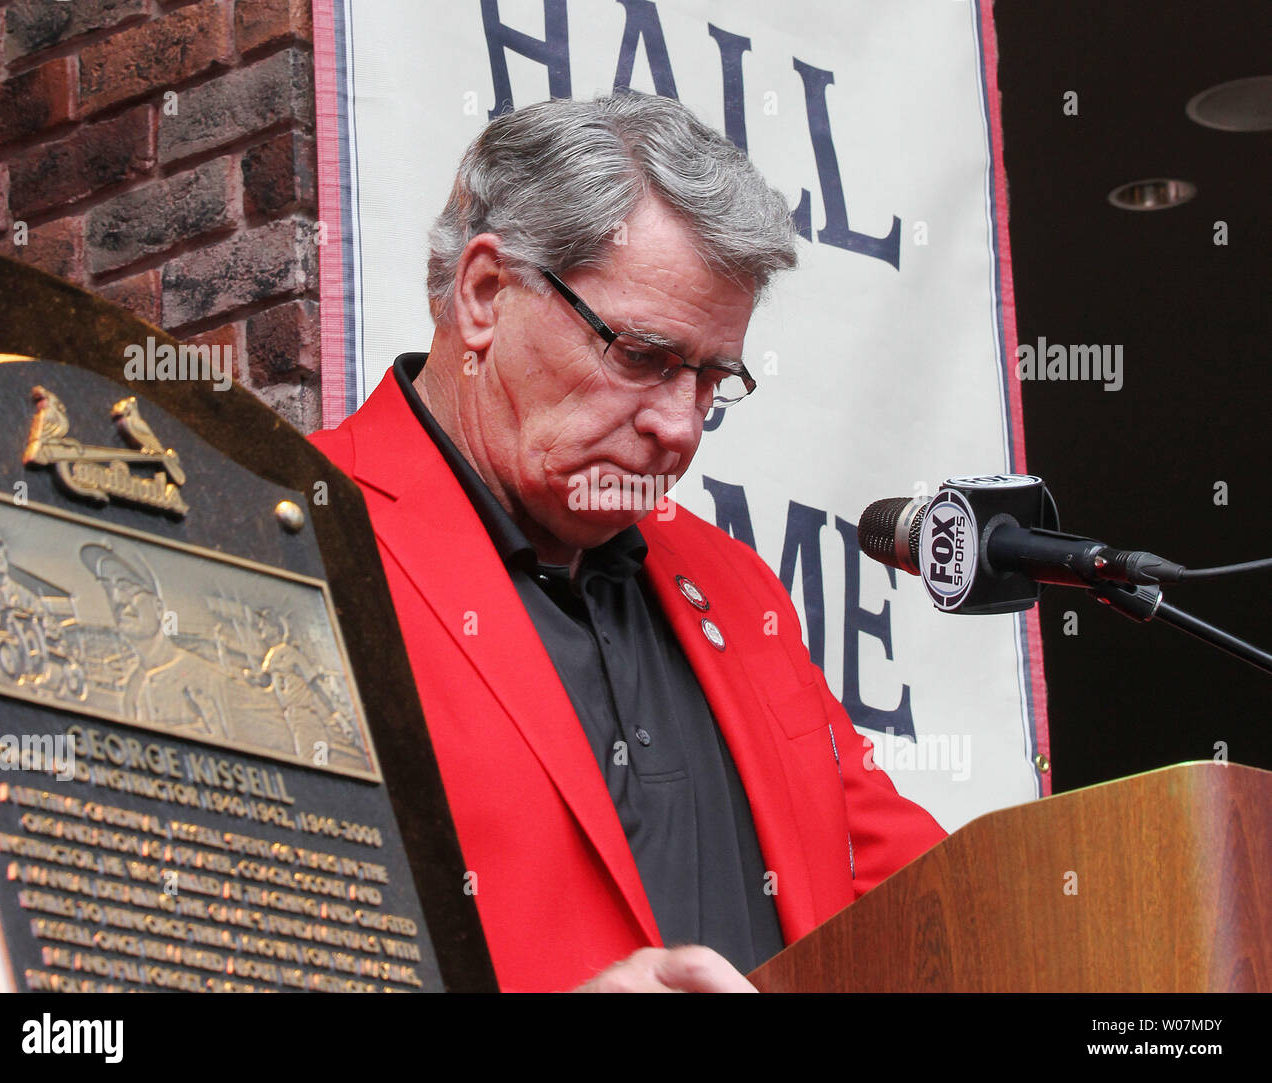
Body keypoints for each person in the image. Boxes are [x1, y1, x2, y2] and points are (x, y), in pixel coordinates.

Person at [309, 93, 946, 992]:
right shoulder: (282, 537)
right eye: (642, 356)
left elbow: (933, 916)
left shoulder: (739, 590)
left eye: (712, 379)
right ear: (486, 293)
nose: (681, 426)